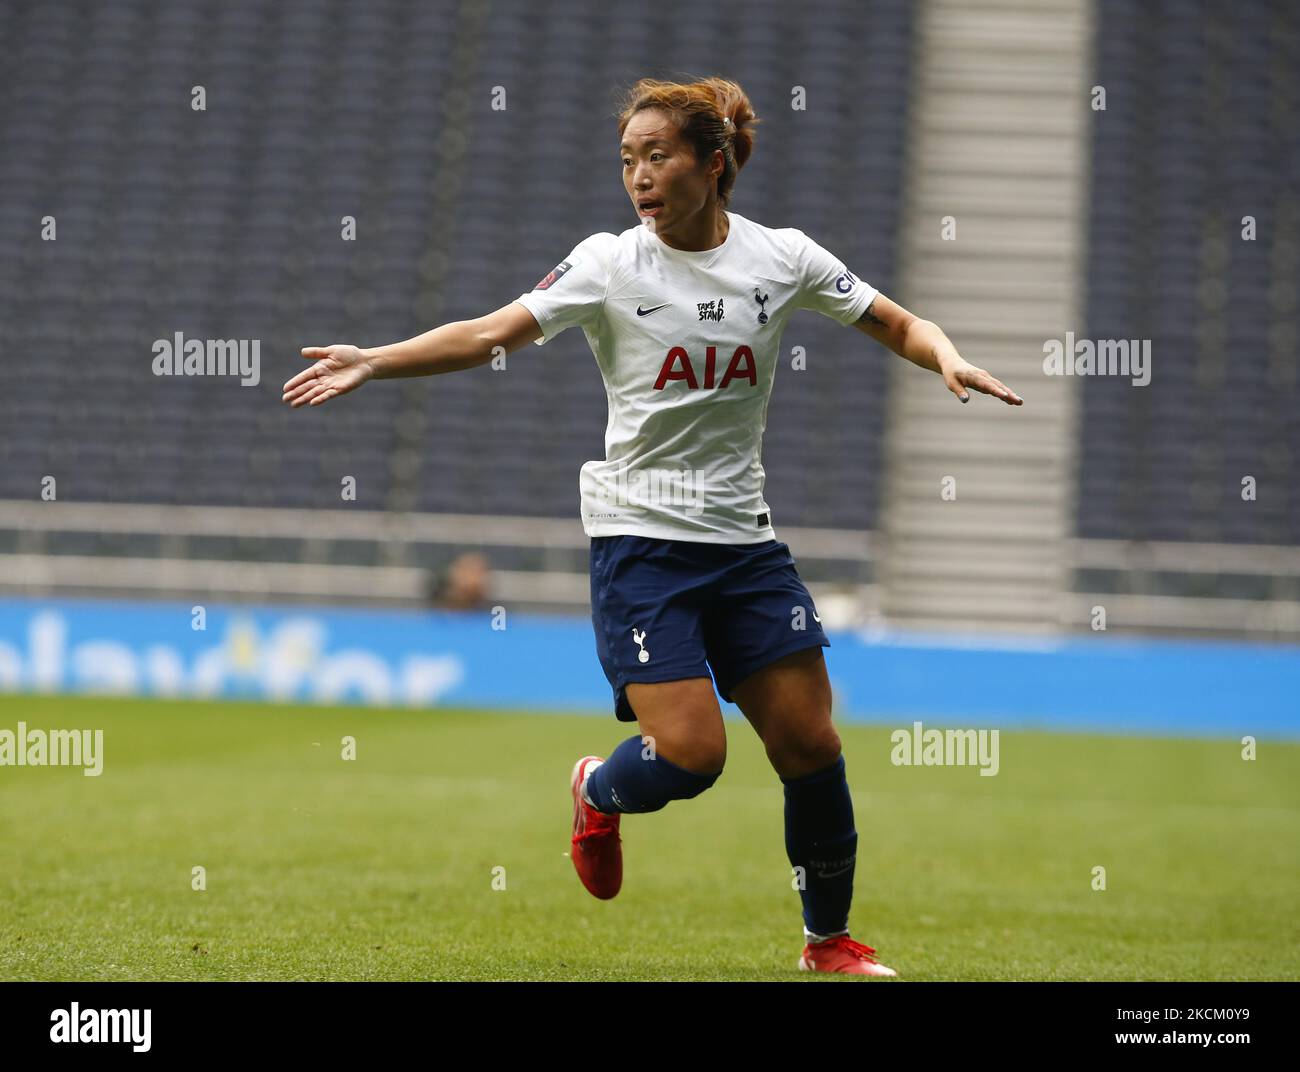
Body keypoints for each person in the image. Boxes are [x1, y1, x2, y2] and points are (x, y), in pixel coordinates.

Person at [282, 75, 1022, 977]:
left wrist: (944, 352)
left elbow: (894, 321)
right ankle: (598, 789)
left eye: (658, 155)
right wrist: (376, 360)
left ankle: (828, 945)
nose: (638, 174)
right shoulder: (607, 263)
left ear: (713, 166)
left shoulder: (781, 257)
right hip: (643, 545)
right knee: (693, 755)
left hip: (745, 546)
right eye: (628, 158)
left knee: (811, 746)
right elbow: (488, 334)